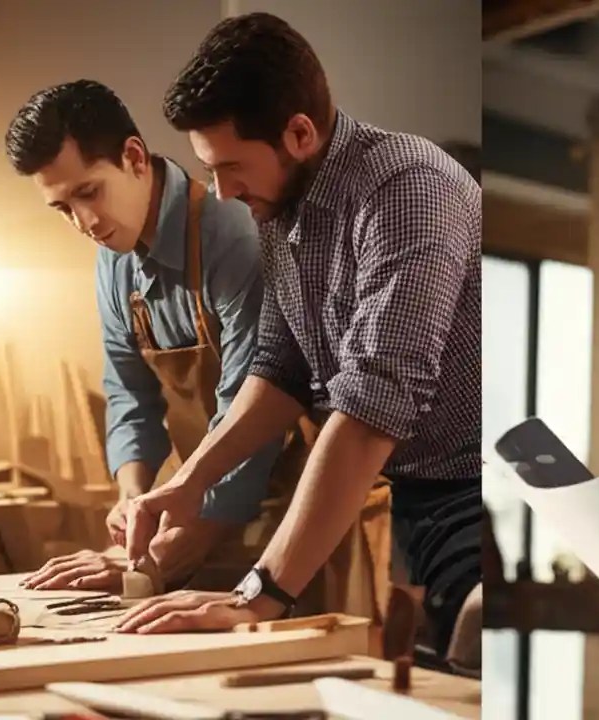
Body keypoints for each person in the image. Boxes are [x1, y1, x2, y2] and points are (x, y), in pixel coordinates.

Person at [111, 13, 483, 671]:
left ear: (300, 134)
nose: (222, 192)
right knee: (423, 685)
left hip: (475, 499)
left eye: (230, 167)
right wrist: (190, 483)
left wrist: (260, 597)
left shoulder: (406, 190)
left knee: (467, 677)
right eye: (209, 169)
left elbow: (371, 408)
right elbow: (282, 369)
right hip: (414, 500)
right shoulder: (283, 212)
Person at [3, 80, 280, 591]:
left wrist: (152, 554)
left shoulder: (232, 236)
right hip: (202, 503)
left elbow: (251, 413)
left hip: (286, 504)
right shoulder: (113, 260)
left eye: (88, 192)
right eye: (63, 209)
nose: (85, 223)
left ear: (133, 156)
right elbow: (129, 396)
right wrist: (133, 501)